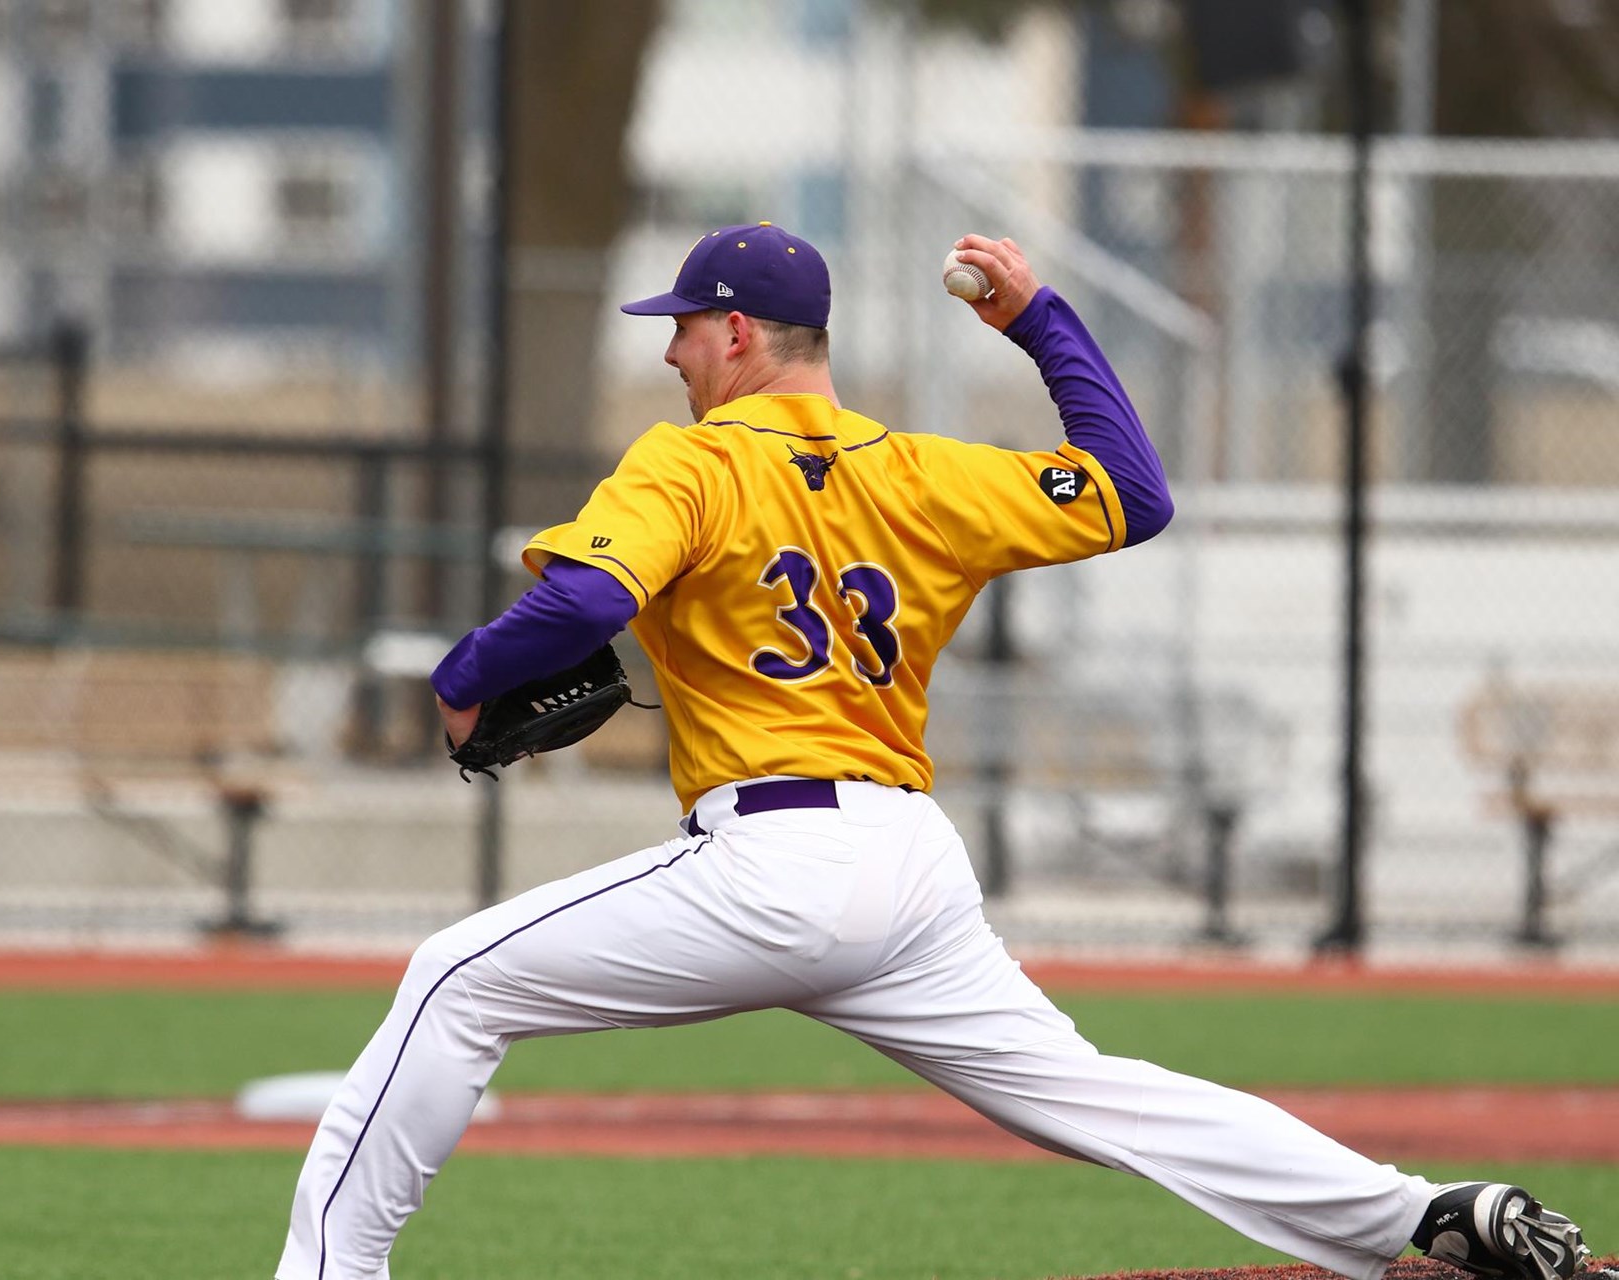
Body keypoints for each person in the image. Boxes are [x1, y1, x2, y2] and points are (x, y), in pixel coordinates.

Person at [276, 224, 1593, 1280]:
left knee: (455, 979)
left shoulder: (690, 464)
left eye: (683, 327)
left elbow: (579, 606)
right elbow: (1136, 493)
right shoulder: (926, 473)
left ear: (738, 333)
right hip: (909, 867)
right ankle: (1425, 1213)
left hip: (776, 860)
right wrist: (1039, 321)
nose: (671, 352)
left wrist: (459, 686)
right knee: (1098, 1096)